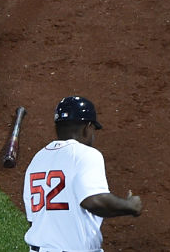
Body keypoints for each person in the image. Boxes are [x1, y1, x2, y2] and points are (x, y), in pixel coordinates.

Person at [23, 96, 143, 251]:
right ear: (87, 127)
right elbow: (94, 201)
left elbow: (34, 219)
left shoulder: (37, 160)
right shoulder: (85, 154)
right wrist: (129, 205)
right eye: (93, 129)